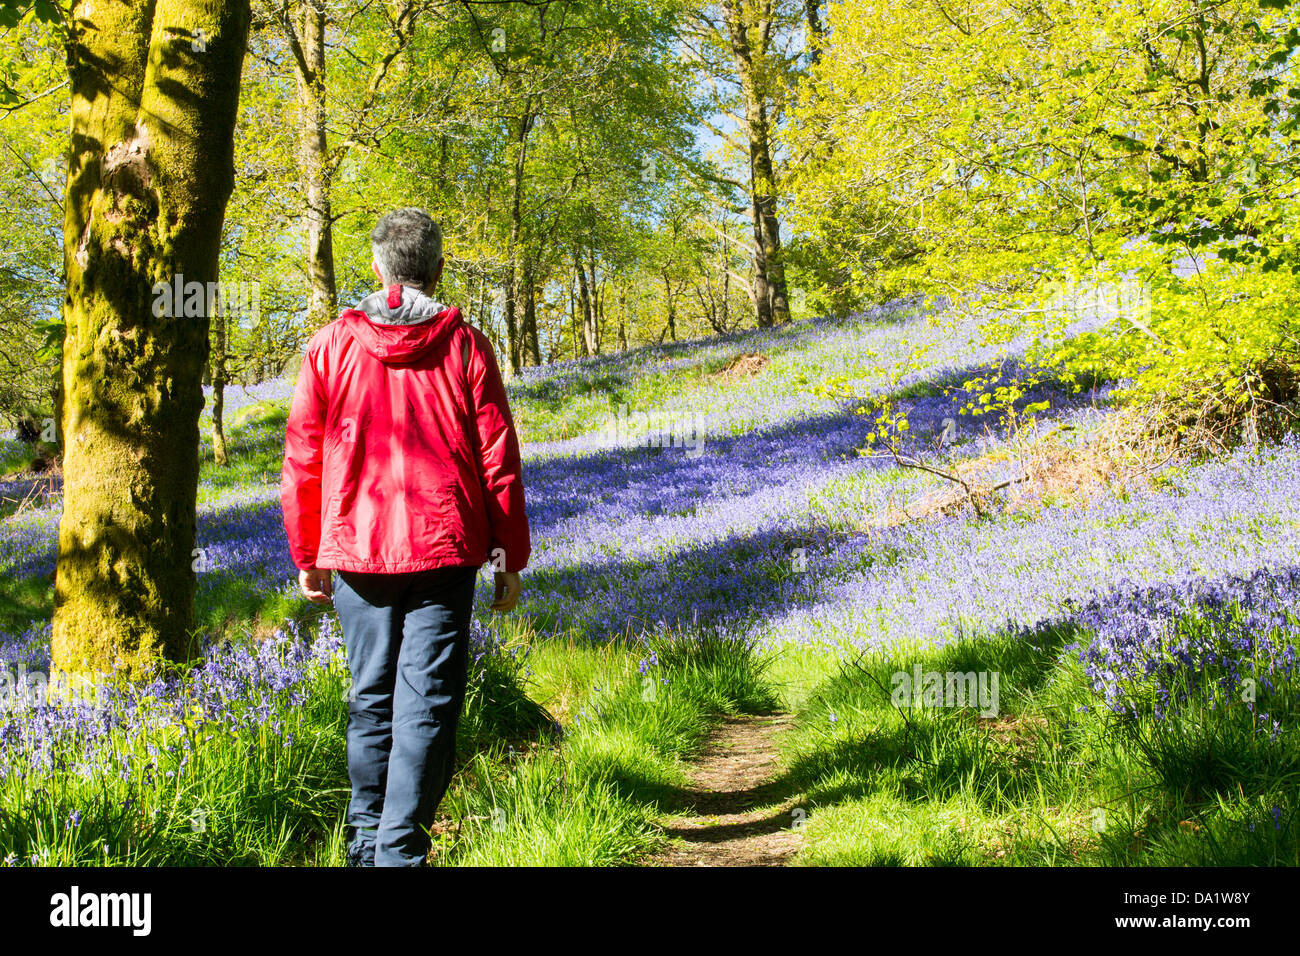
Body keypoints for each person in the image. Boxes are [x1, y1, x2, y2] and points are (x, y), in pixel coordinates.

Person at [281, 207, 530, 867]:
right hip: (444, 547)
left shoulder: (329, 346)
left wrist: (308, 553)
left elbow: (303, 458)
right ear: (438, 269)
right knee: (428, 702)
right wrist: (508, 556)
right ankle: (393, 852)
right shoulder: (467, 346)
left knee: (371, 696)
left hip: (358, 551)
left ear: (377, 269)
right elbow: (497, 457)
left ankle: (370, 847)